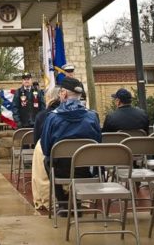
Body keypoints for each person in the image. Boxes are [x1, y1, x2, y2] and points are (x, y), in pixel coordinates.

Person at [40, 78, 102, 207]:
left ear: (63, 94)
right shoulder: (92, 117)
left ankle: (62, 202)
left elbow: (46, 148)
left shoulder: (52, 117)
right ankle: (77, 201)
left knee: (47, 160)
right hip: (85, 169)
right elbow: (98, 144)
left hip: (60, 170)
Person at [31, 85, 60, 210]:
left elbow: (37, 139)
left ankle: (46, 200)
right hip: (76, 162)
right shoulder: (88, 116)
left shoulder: (43, 116)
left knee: (39, 151)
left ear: (49, 98)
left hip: (51, 158)